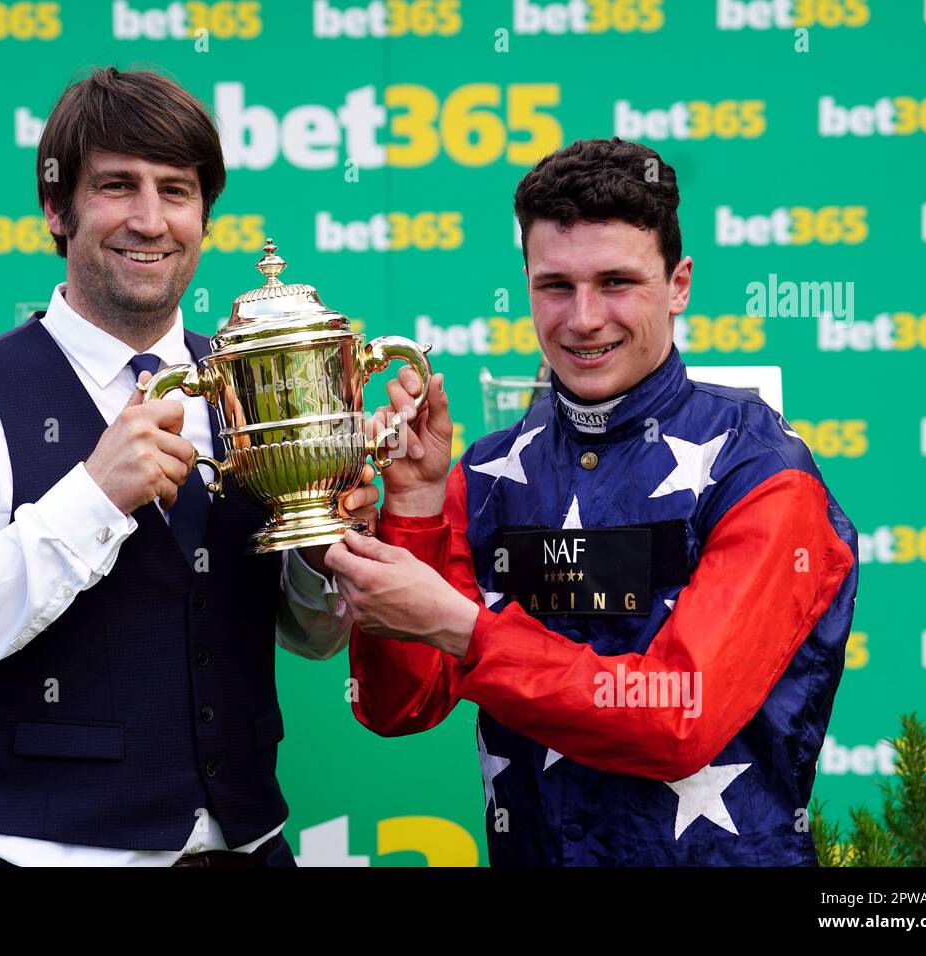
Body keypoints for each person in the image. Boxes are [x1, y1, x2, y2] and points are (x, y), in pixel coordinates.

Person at [0, 67, 375, 867]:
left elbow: (312, 639)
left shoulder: (250, 382)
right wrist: (92, 500)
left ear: (205, 218)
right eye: (116, 186)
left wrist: (322, 550)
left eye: (177, 190)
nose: (150, 219)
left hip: (254, 846)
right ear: (55, 209)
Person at [325, 138, 859, 866]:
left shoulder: (763, 470)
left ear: (679, 285)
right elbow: (397, 707)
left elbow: (678, 719)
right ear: (525, 282)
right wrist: (415, 506)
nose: (582, 319)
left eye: (616, 283)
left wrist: (469, 631)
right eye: (555, 285)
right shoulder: (483, 472)